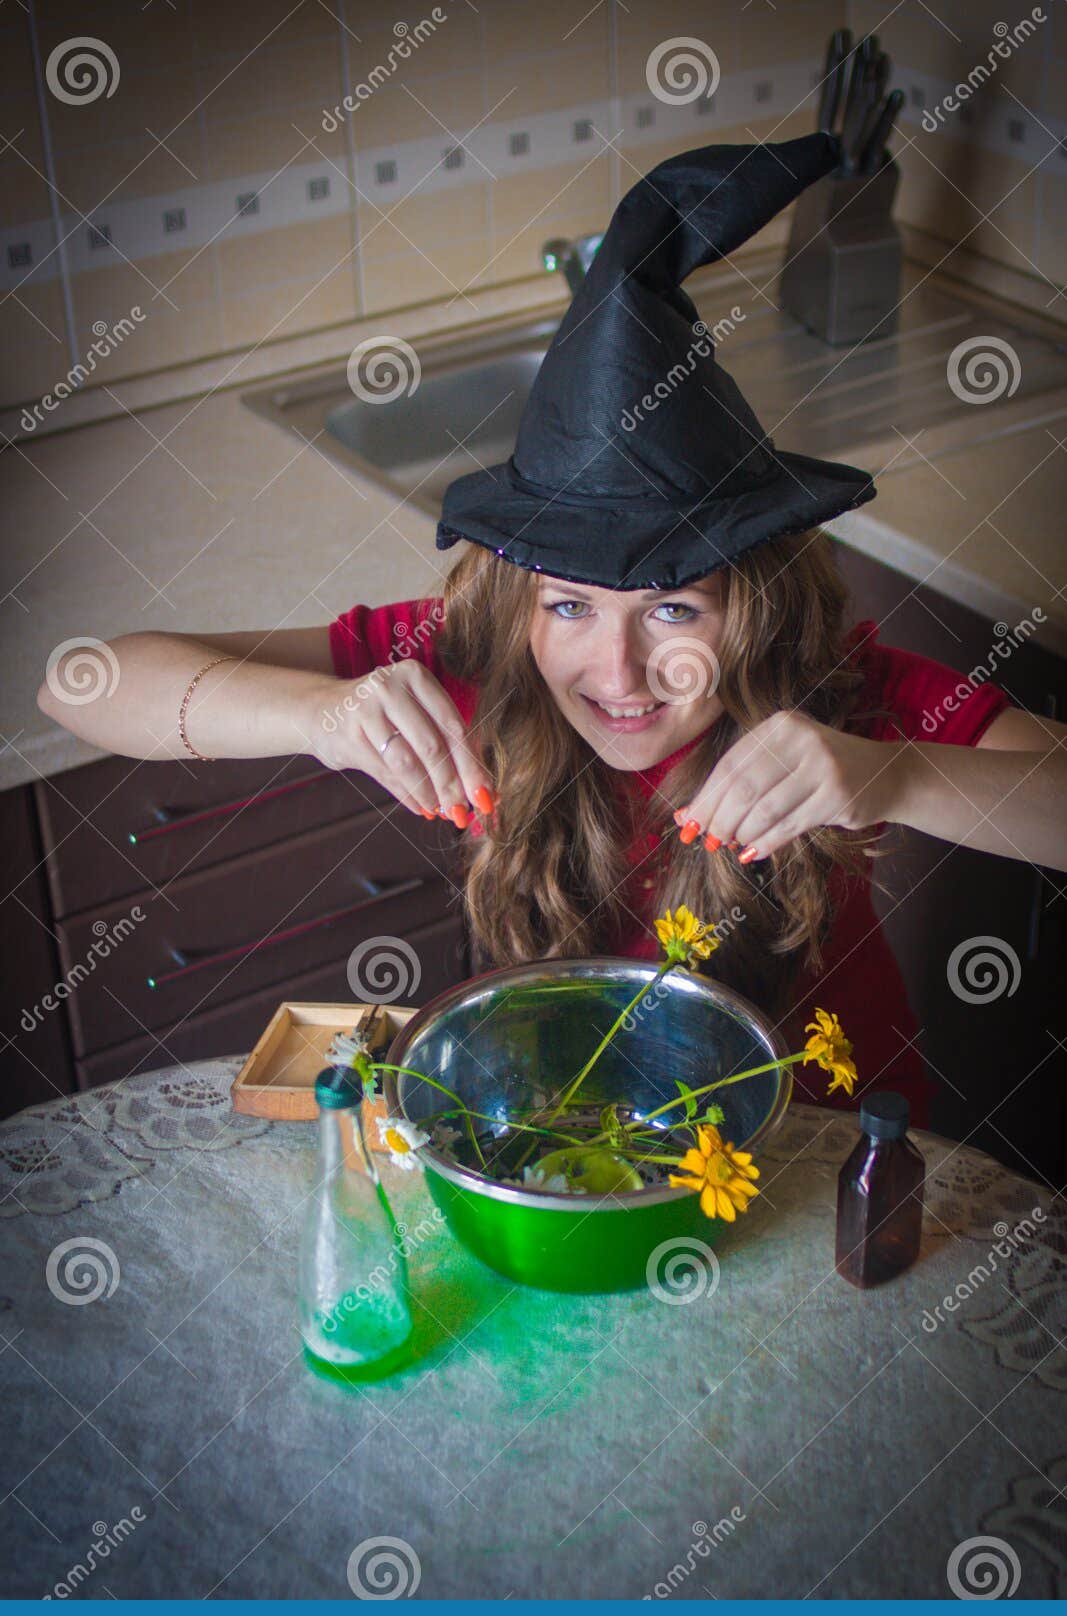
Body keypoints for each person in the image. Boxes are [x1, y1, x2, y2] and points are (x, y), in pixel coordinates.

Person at [37, 136, 1067, 1130]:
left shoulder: (833, 690)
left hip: (820, 1148)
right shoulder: (473, 655)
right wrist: (320, 711)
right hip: (559, 1132)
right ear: (517, 595)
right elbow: (79, 686)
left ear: (750, 604)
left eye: (672, 606)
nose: (613, 671)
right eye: (567, 605)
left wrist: (892, 777)